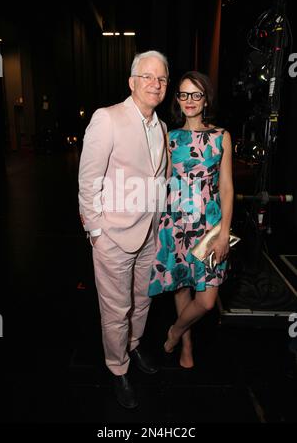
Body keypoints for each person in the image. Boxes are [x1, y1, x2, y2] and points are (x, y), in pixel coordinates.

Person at [78, 50, 169, 409]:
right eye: (147, 76)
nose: (155, 84)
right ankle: (118, 369)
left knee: (143, 300)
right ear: (132, 82)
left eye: (161, 78)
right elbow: (89, 181)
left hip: (150, 233)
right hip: (113, 236)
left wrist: (159, 223)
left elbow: (157, 178)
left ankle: (133, 347)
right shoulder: (108, 118)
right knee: (116, 309)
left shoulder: (161, 127)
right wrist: (97, 232)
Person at [149, 70, 234, 369]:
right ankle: (186, 343)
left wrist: (224, 233)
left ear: (206, 98)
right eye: (183, 94)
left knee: (208, 300)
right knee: (182, 286)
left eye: (196, 94)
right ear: (177, 99)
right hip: (176, 223)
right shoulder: (170, 137)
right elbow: (164, 181)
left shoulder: (221, 136)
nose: (189, 100)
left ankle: (175, 330)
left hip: (209, 227)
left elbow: (226, 188)